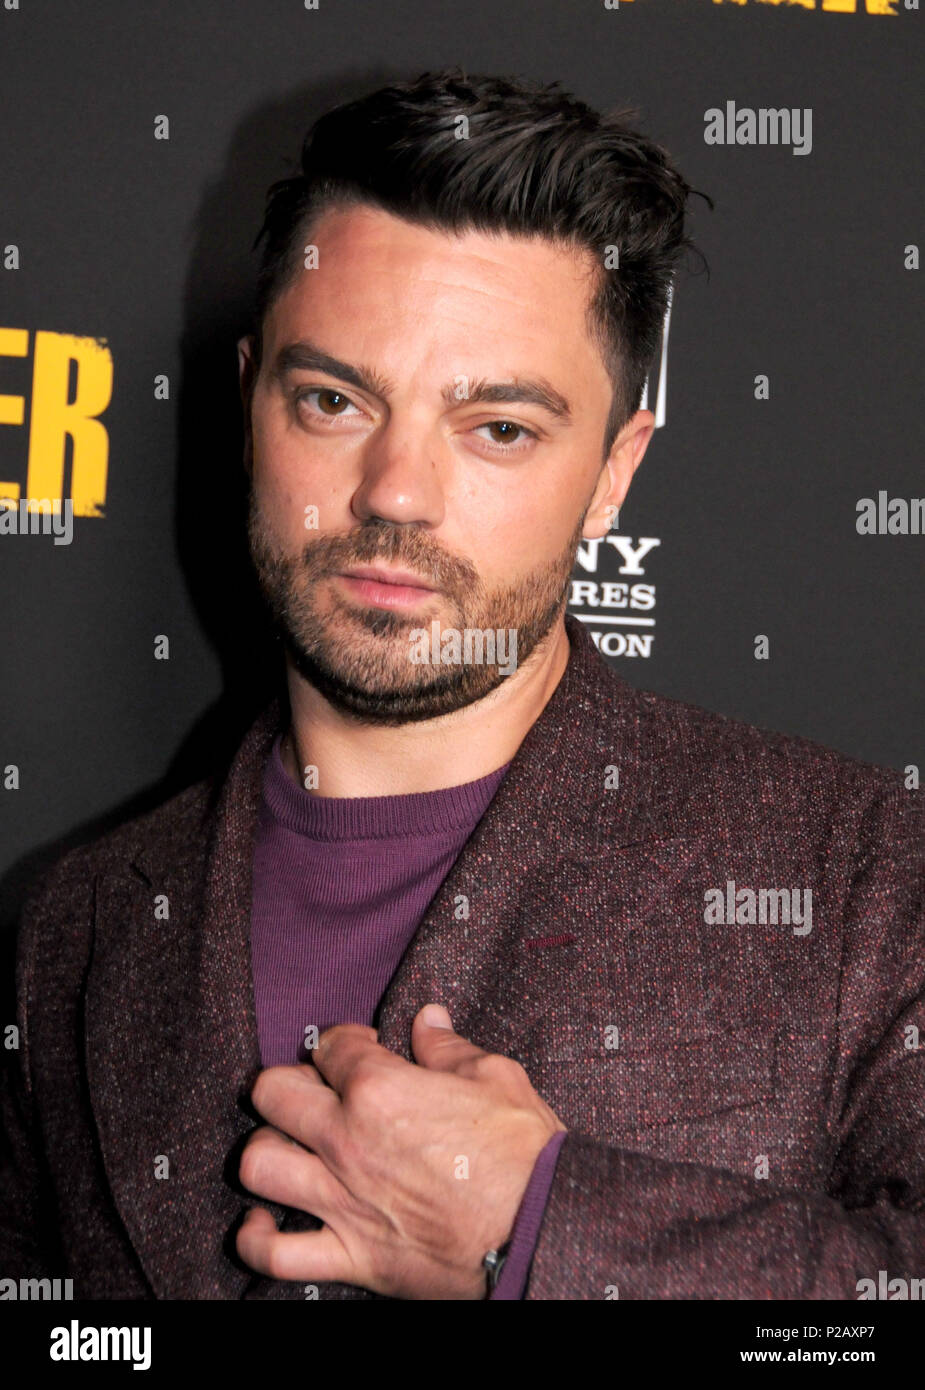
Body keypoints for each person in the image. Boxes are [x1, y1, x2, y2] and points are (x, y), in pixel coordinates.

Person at [1, 69, 922, 1302]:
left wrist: (544, 1232)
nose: (394, 492)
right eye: (333, 399)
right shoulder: (74, 927)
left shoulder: (862, 870)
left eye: (497, 427)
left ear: (612, 474)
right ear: (247, 404)